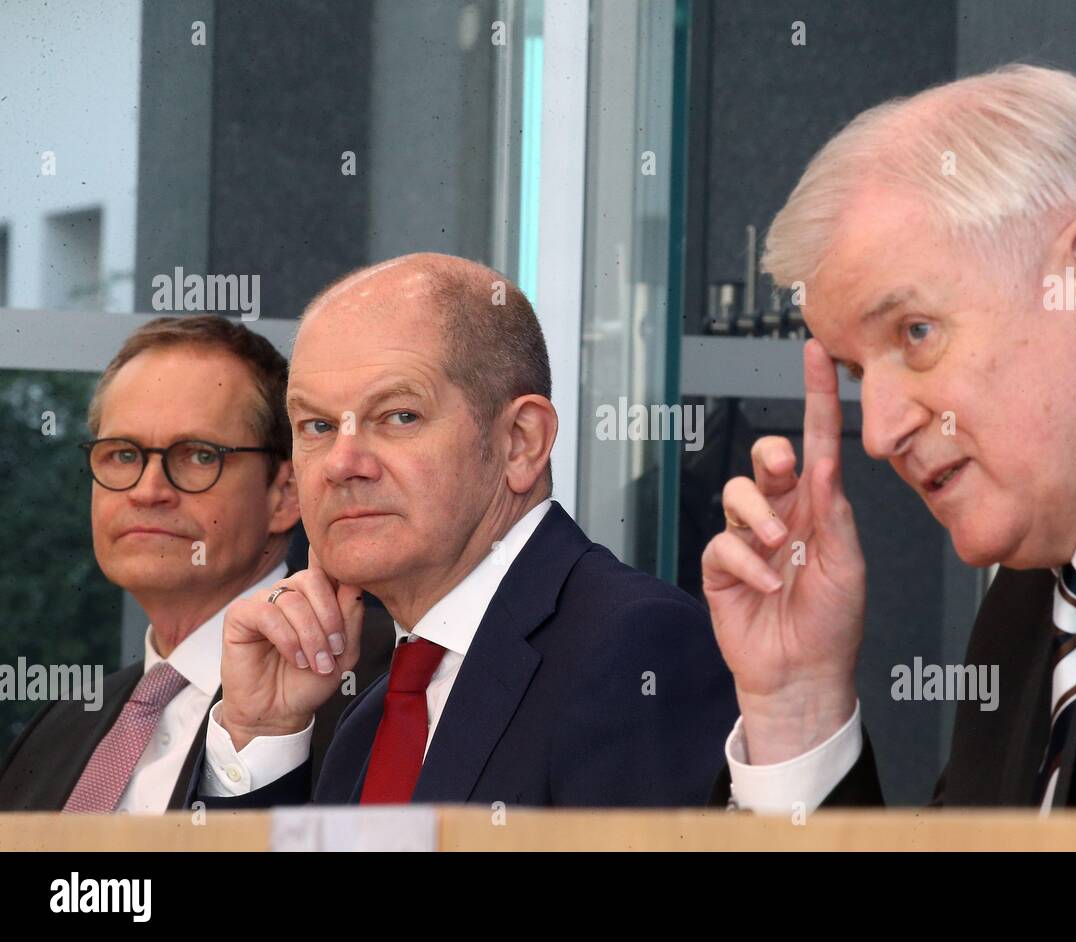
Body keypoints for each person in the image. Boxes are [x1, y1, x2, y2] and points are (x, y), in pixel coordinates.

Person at [702, 64, 1076, 813]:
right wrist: (798, 707)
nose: (882, 433)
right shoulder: (1034, 586)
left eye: (916, 332)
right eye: (857, 371)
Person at [194, 253, 736, 808]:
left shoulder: (634, 644)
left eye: (399, 416)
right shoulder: (367, 709)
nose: (340, 463)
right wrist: (263, 730)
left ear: (520, 442)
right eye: (318, 426)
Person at [0, 315, 391, 813]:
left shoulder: (385, 685)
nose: (148, 491)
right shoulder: (56, 730)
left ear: (284, 493)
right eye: (122, 455)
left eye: (199, 456)